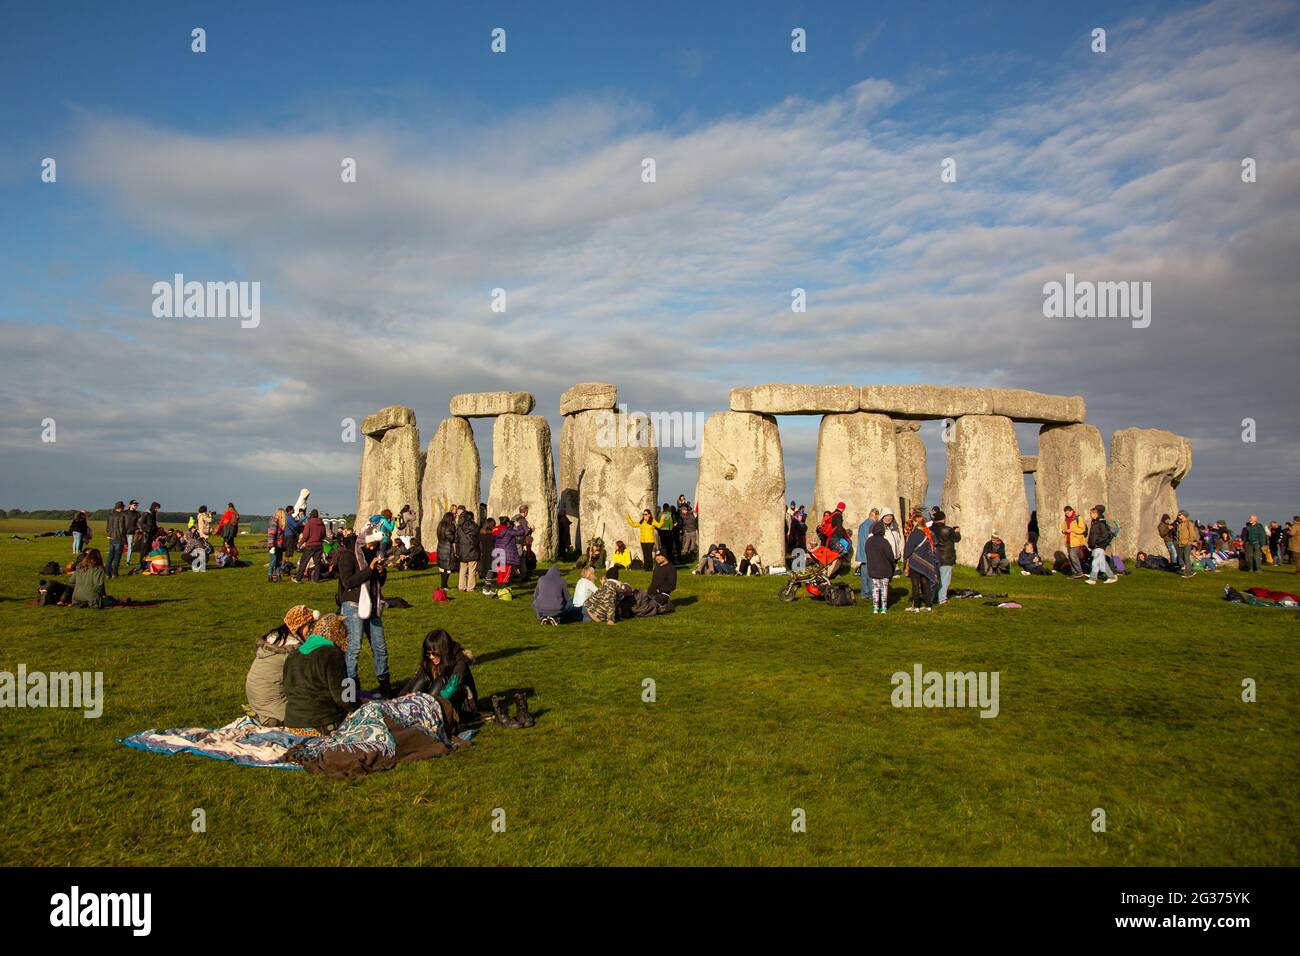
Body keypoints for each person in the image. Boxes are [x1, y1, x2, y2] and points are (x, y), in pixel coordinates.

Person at [336, 525, 392, 698]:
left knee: (380, 646)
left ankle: (385, 685)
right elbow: (348, 582)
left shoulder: (372, 555)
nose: (373, 548)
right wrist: (369, 569)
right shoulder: (348, 555)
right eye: (371, 544)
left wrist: (381, 572)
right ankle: (350, 689)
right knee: (354, 647)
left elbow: (377, 583)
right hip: (353, 604)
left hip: (371, 604)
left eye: (376, 545)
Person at [246, 604, 318, 726]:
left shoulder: (274, 639)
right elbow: (303, 684)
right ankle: (276, 717)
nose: (311, 631)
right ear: (298, 627)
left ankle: (268, 716)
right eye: (308, 626)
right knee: (316, 714)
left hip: (255, 698)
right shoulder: (292, 650)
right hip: (270, 699)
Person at [281, 610, 350, 731]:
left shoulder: (293, 654)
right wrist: (358, 702)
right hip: (322, 723)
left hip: (292, 722)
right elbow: (344, 698)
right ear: (339, 634)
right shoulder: (333, 654)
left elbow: (287, 689)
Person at [400, 629, 481, 724]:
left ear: (443, 650)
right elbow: (416, 678)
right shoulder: (430, 661)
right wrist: (404, 695)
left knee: (440, 680)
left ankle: (426, 714)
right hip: (436, 698)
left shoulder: (460, 662)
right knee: (423, 676)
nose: (431, 657)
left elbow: (451, 689)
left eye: (434, 653)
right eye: (428, 653)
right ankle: (407, 708)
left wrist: (425, 702)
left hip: (461, 706)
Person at [902, 513, 937, 611]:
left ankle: (916, 606)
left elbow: (909, 548)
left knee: (915, 584)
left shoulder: (915, 533)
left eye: (913, 521)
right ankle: (928, 605)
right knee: (926, 583)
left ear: (917, 522)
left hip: (915, 562)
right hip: (927, 561)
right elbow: (935, 545)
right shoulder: (930, 532)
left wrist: (905, 557)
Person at [865, 519, 897, 614]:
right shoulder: (884, 542)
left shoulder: (868, 542)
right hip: (885, 568)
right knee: (884, 589)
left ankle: (875, 607)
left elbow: (867, 554)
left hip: (873, 568)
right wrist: (893, 565)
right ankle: (884, 607)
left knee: (875, 588)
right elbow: (890, 556)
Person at [931, 510, 961, 602]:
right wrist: (957, 532)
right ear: (943, 519)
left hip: (934, 556)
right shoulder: (948, 529)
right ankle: (942, 599)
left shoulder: (930, 529)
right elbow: (956, 539)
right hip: (946, 557)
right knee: (944, 579)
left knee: (935, 579)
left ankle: (933, 597)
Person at [293, 509, 327, 583]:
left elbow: (305, 536)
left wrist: (299, 544)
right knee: (317, 563)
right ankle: (316, 579)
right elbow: (324, 535)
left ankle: (298, 578)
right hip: (319, 545)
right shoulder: (322, 524)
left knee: (304, 562)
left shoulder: (309, 523)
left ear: (311, 515)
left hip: (310, 545)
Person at [1086, 505, 1118, 584]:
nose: (1091, 515)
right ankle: (1111, 577)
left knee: (1096, 562)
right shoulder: (1095, 523)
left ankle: (1093, 579)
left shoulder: (1101, 523)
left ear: (1096, 513)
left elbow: (1105, 535)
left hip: (1099, 546)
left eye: (1092, 514)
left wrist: (1097, 542)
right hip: (1096, 546)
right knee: (1101, 562)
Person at [855, 509, 882, 601]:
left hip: (862, 553)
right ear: (875, 515)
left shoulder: (862, 525)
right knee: (871, 575)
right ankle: (870, 593)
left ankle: (864, 593)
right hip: (870, 553)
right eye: (877, 516)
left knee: (864, 575)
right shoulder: (873, 525)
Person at [455, 507, 480, 591]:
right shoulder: (475, 527)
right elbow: (477, 540)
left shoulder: (459, 528)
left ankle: (461, 587)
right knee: (472, 570)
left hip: (462, 551)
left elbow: (457, 540)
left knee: (462, 570)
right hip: (473, 550)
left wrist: (457, 551)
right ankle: (470, 587)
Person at [1061, 506, 1087, 578]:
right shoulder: (1066, 519)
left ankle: (1079, 572)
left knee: (1072, 555)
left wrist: (1072, 530)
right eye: (1066, 513)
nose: (1067, 514)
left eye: (1068, 513)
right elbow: (1063, 528)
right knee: (1070, 557)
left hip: (1076, 540)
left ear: (1072, 511)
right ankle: (1074, 572)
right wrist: (1064, 531)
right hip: (1068, 541)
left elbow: (1082, 529)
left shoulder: (1078, 518)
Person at [435, 511, 458, 590]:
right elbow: (451, 537)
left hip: (441, 547)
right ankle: (444, 585)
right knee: (447, 568)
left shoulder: (440, 525)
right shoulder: (449, 526)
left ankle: (444, 585)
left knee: (443, 568)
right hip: (447, 549)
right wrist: (456, 536)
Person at [1174, 509, 1198, 579]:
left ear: (1184, 515)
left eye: (1180, 515)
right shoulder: (1180, 524)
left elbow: (1192, 534)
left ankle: (1189, 572)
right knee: (1182, 557)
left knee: (1186, 558)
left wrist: (1189, 542)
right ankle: (1191, 571)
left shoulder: (1189, 523)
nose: (1179, 516)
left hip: (1187, 543)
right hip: (1180, 543)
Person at [136, 502, 160, 571]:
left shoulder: (153, 515)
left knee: (149, 551)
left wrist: (156, 529)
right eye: (157, 508)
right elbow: (140, 523)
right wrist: (147, 529)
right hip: (146, 536)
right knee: (144, 551)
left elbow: (153, 525)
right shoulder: (146, 514)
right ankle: (141, 565)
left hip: (151, 535)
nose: (157, 510)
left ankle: (147, 564)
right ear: (153, 507)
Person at [104, 503, 126, 578]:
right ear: (120, 508)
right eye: (123, 507)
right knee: (117, 556)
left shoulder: (110, 515)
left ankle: (107, 572)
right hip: (119, 538)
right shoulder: (122, 515)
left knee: (110, 555)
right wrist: (125, 540)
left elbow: (107, 527)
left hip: (111, 537)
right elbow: (122, 529)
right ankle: (114, 573)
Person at [266, 507, 286, 582]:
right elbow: (271, 534)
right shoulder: (274, 521)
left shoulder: (279, 523)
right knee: (273, 561)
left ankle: (278, 576)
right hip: (274, 546)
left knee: (278, 561)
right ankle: (270, 576)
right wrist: (271, 546)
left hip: (279, 545)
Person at [477, 516, 498, 583]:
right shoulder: (493, 536)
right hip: (489, 554)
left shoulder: (481, 534)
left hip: (483, 553)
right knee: (489, 568)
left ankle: (483, 575)